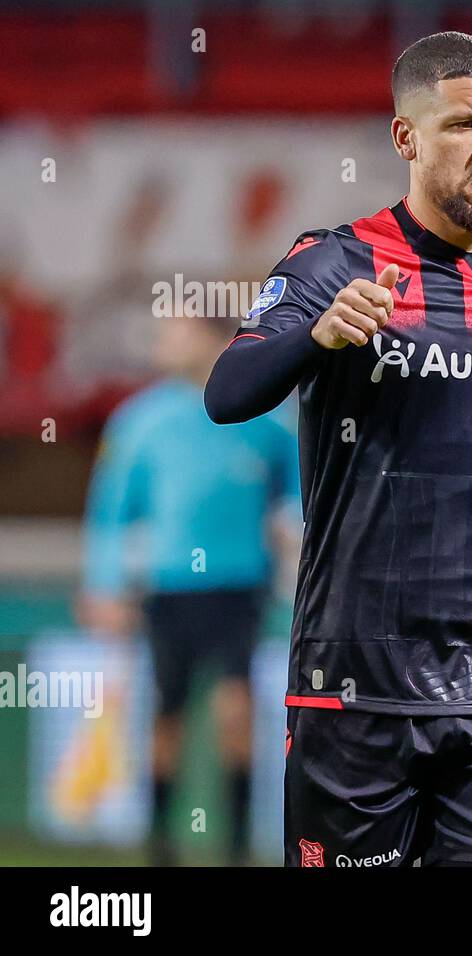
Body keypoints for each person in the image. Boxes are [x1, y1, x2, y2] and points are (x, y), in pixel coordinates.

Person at [204, 31, 472, 867]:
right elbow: (228, 392)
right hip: (358, 695)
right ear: (406, 138)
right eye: (463, 126)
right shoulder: (332, 261)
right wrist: (316, 333)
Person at [80, 310, 300, 866]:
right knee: (167, 717)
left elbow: (300, 495)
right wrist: (104, 584)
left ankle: (234, 849)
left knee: (235, 712)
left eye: (178, 332)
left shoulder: (265, 419)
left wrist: (295, 535)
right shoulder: (139, 421)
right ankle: (161, 849)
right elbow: (110, 511)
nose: (165, 343)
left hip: (238, 587)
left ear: (215, 341)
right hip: (169, 587)